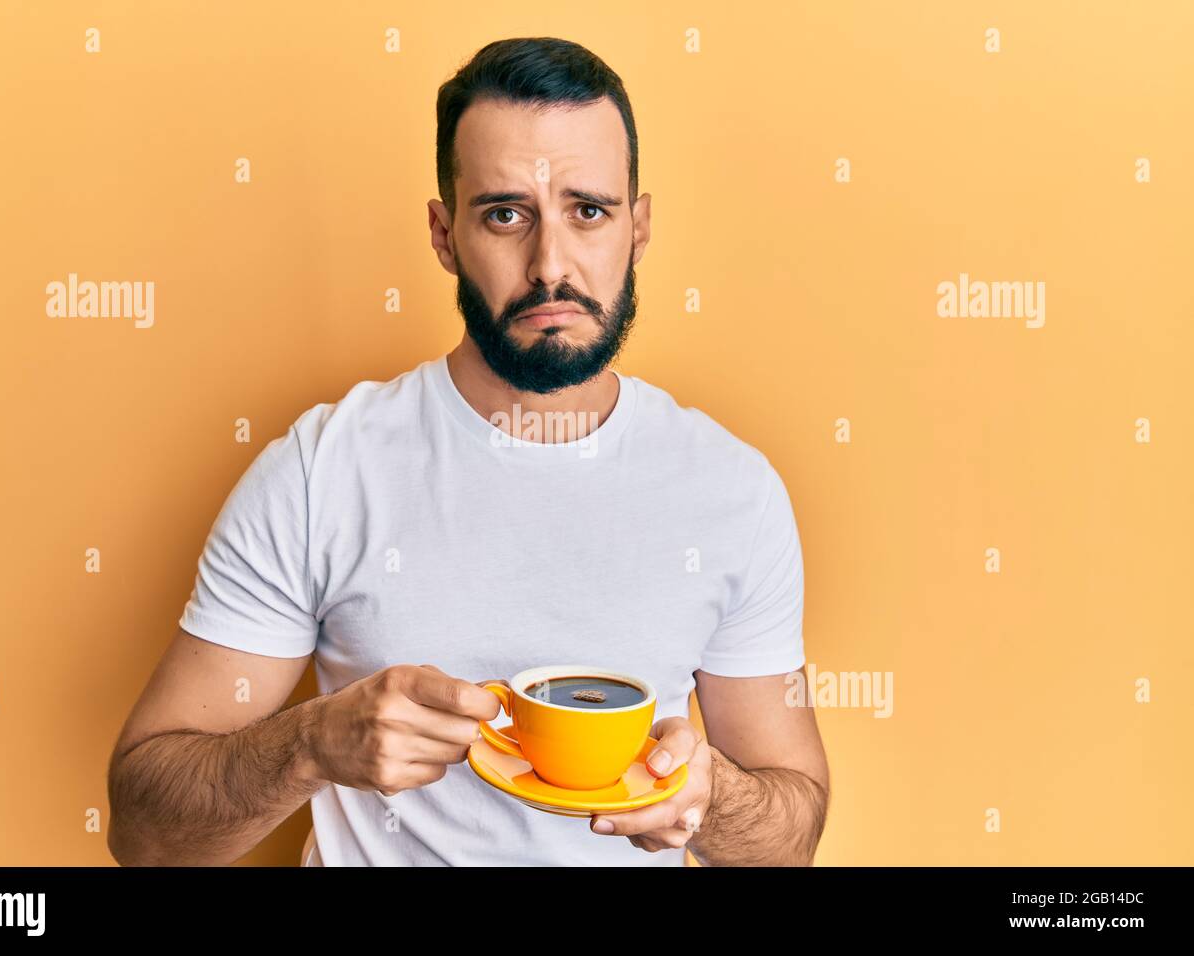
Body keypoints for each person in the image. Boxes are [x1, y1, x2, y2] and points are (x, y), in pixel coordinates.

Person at [107, 36, 829, 866]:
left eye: (588, 210)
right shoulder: (322, 469)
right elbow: (146, 834)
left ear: (639, 227)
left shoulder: (731, 490)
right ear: (445, 235)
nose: (551, 265)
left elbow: (790, 837)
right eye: (505, 214)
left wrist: (712, 798)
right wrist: (308, 745)